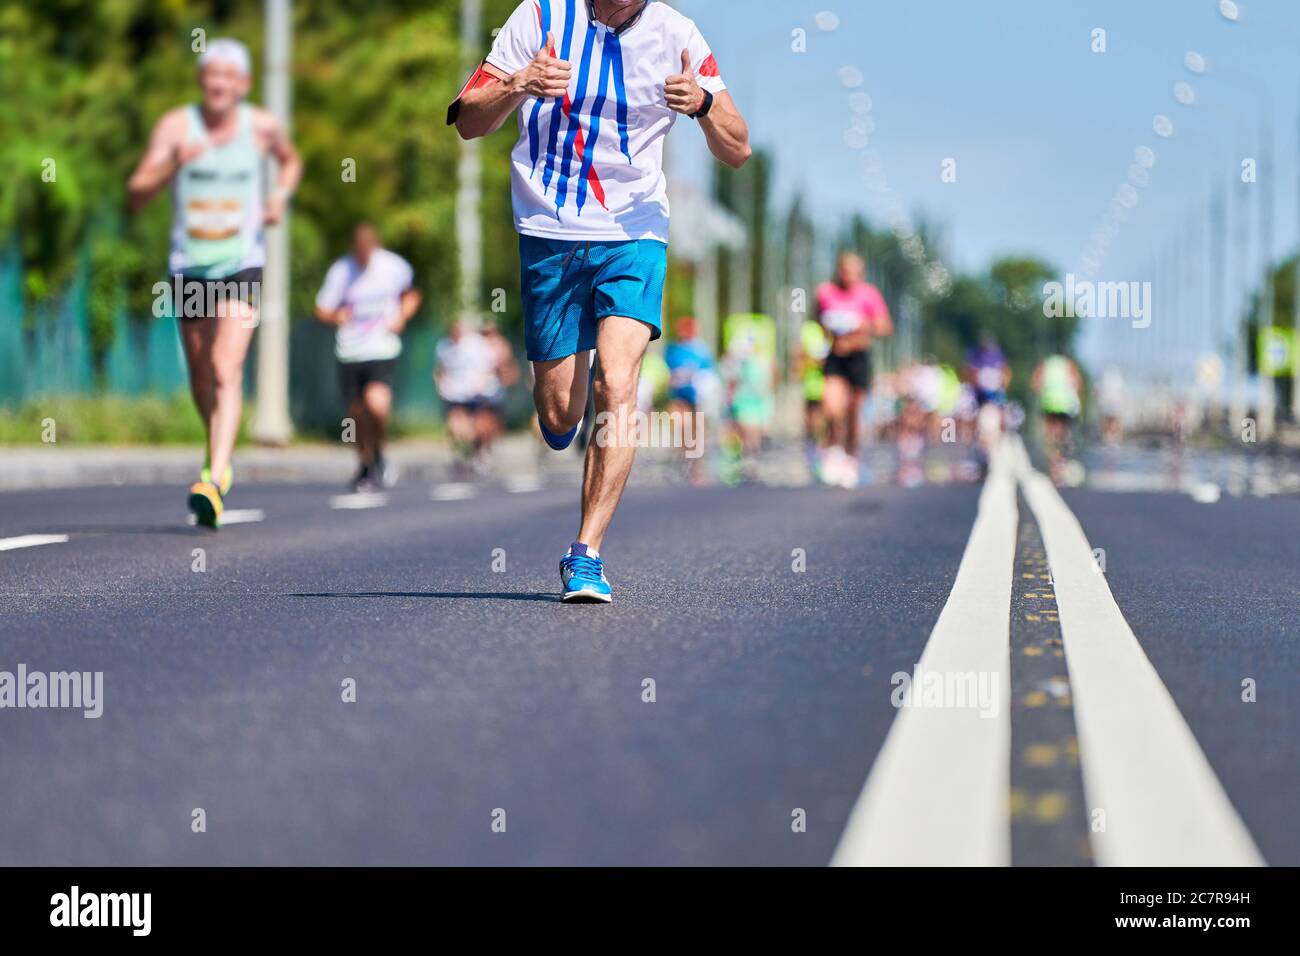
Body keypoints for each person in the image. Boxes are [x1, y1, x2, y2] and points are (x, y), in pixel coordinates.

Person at [451, 0, 750, 602]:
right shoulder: (538, 17)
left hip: (635, 234)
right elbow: (468, 121)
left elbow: (738, 148)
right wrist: (518, 83)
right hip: (549, 230)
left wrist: (706, 104)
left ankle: (586, 552)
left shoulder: (677, 35)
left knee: (620, 380)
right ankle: (565, 397)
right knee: (561, 415)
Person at [128, 38, 301, 528]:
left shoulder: (261, 126)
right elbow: (138, 192)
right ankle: (217, 451)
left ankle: (215, 474)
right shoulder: (176, 127)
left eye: (230, 76)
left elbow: (290, 160)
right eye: (212, 74)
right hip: (190, 265)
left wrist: (280, 197)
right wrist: (173, 161)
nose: (220, 83)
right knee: (201, 373)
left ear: (243, 84)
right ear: (203, 81)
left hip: (241, 262)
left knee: (227, 367)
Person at [314, 223, 421, 492]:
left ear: (374, 248)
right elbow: (321, 309)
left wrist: (402, 316)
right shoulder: (341, 271)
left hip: (381, 347)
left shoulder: (392, 266)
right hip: (350, 351)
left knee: (377, 405)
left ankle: (380, 451)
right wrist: (335, 316)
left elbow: (412, 294)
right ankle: (365, 462)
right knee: (355, 413)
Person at [816, 252, 892, 489]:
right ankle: (832, 451)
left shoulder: (868, 294)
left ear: (860, 273)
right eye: (843, 269)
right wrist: (829, 335)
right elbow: (818, 319)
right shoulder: (825, 292)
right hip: (835, 357)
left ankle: (851, 457)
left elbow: (885, 327)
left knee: (853, 411)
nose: (847, 274)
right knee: (831, 407)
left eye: (852, 270)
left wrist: (863, 327)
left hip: (858, 358)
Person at [435, 321, 497, 471]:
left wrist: (481, 384)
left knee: (478, 427)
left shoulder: (476, 345)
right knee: (455, 425)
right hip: (454, 392)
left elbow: (487, 366)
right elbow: (440, 369)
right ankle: (459, 453)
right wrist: (440, 385)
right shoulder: (444, 346)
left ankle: (478, 453)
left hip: (474, 392)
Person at [1033, 352, 1084, 484]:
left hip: (1049, 402)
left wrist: (1043, 394)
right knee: (1062, 436)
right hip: (1064, 404)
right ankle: (1059, 463)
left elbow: (1036, 383)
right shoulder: (1069, 365)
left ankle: (1053, 464)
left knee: (1050, 436)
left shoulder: (1046, 364)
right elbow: (1078, 384)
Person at [479, 319, 521, 455]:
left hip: (496, 386)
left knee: (495, 417)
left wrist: (508, 375)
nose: (488, 335)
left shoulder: (502, 344)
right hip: (479, 387)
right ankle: (483, 444)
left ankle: (492, 441)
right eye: (485, 332)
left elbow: (509, 364)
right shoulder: (476, 345)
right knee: (482, 416)